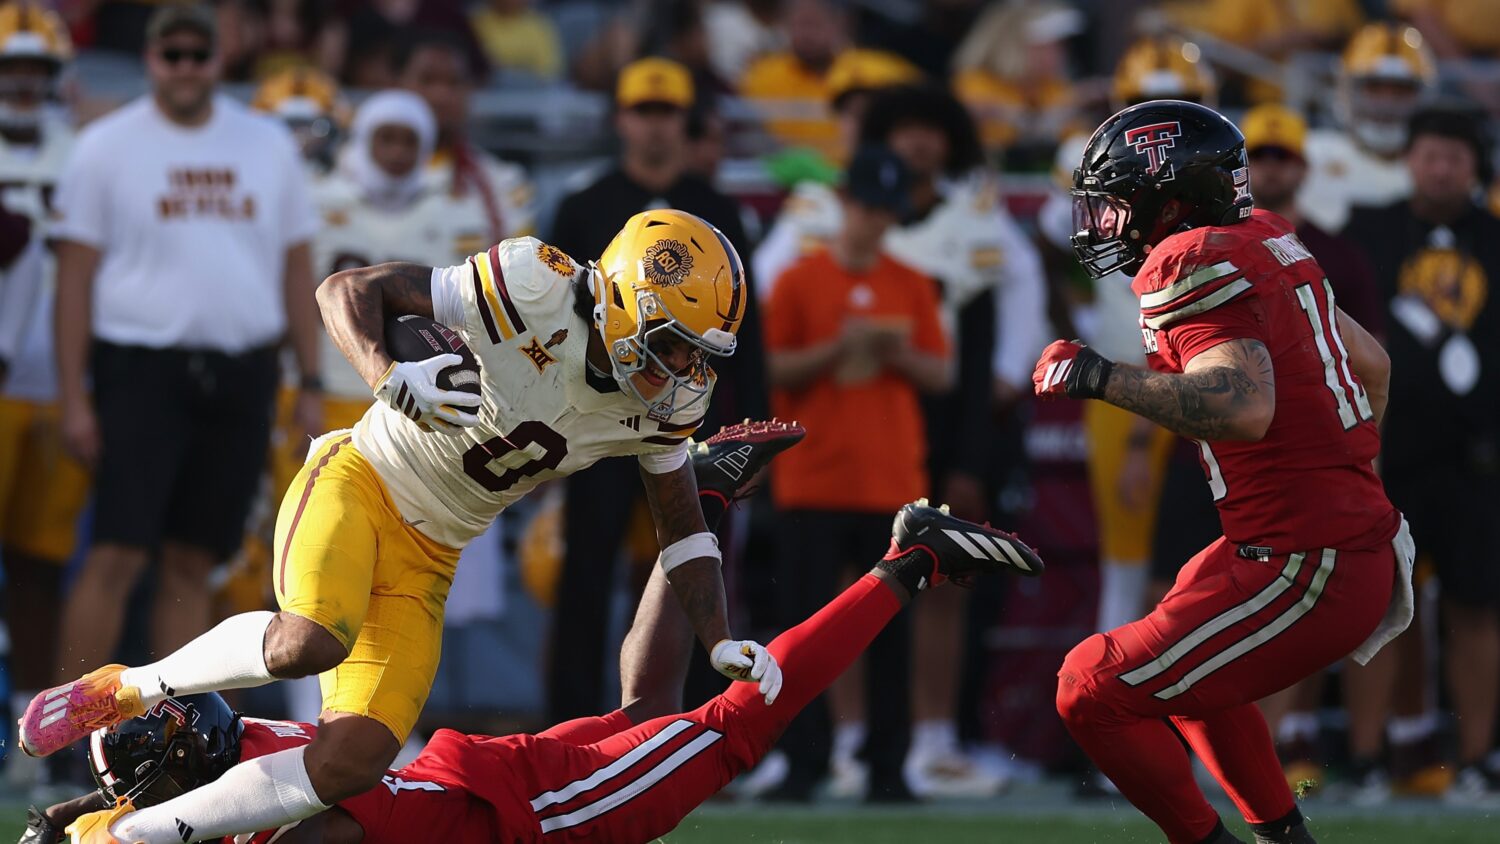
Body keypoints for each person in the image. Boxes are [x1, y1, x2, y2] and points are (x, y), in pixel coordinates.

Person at [20, 202, 771, 843]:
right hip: (362, 481)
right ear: (619, 298)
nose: (680, 368)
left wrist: (720, 638)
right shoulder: (534, 285)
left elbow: (684, 528)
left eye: (696, 354)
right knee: (310, 639)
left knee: (351, 763)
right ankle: (127, 688)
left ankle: (123, 834)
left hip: (431, 554)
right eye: (670, 341)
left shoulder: (665, 406)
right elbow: (345, 289)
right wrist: (386, 372)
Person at [34, 499, 1043, 844]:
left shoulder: (279, 806)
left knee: (738, 724)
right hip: (486, 777)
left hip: (538, 814)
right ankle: (699, 515)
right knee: (647, 704)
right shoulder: (242, 749)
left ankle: (913, 562)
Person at [1039, 99, 1413, 844]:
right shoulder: (1268, 238)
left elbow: (1243, 408)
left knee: (1091, 686)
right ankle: (1282, 835)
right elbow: (1372, 366)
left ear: (1169, 197)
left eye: (1116, 203)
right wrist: (1334, 476)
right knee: (1182, 653)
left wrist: (1097, 377)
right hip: (1331, 541)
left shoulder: (1190, 259)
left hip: (1308, 560)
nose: (1106, 222)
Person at [47, 3, 323, 679]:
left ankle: (166, 732)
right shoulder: (106, 147)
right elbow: (75, 279)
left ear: (218, 59)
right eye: (171, 54)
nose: (185, 68)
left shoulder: (267, 144)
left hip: (242, 370)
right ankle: (60, 732)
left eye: (198, 55)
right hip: (141, 368)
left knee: (194, 559)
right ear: (150, 59)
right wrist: (73, 397)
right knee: (116, 552)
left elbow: (296, 269)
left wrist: (310, 381)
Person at [544, 55, 768, 724]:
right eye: (643, 110)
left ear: (685, 121)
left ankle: (695, 722)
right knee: (586, 572)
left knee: (693, 567)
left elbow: (745, 333)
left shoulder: (717, 208)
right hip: (598, 423)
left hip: (685, 423)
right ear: (621, 119)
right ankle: (569, 727)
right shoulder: (587, 205)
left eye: (667, 111)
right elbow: (558, 321)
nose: (655, 126)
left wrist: (749, 426)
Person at [764, 146, 952, 802]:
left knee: (888, 637)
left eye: (886, 211)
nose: (876, 221)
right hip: (812, 480)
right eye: (868, 206)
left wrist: (893, 351)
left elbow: (942, 373)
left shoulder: (911, 281)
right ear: (845, 203)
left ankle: (888, 766)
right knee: (803, 635)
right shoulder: (797, 280)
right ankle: (802, 761)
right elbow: (772, 370)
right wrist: (837, 350)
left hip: (889, 483)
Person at [1344, 104, 1500, 804]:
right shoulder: (1366, 231)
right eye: (1430, 154)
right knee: (1376, 610)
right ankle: (1368, 758)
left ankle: (1478, 760)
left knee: (1477, 609)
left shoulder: (1496, 239)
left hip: (1479, 458)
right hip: (1386, 454)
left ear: (1476, 167)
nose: (1441, 168)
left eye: (1456, 157)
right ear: (1409, 158)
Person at [0, 1, 85, 794]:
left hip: (58, 386)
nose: (22, 86)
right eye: (10, 71)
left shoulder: (84, 152)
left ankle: (31, 737)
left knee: (39, 567)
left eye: (36, 72)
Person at [395, 30, 535, 244]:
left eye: (454, 82)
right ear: (397, 85)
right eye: (427, 80)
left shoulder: (505, 185)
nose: (440, 95)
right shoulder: (346, 170)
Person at [1299, 23, 1435, 233]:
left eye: (1401, 91)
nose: (1387, 104)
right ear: (1346, 92)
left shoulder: (1439, 167)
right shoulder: (1310, 153)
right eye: (1374, 88)